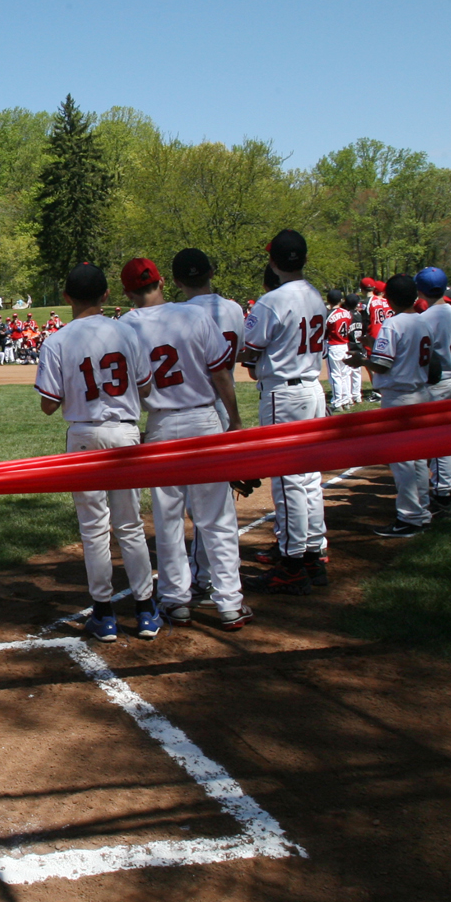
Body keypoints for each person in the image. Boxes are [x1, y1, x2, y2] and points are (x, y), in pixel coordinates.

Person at [120, 257, 250, 631]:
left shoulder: (126, 325)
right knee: (217, 518)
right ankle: (229, 603)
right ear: (162, 281)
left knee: (168, 518)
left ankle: (176, 600)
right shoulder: (194, 315)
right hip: (204, 419)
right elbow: (220, 374)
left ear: (128, 292)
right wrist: (235, 420)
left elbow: (132, 386)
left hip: (161, 424)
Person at [35, 263, 158, 643]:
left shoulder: (56, 340)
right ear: (106, 295)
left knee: (93, 529)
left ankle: (103, 615)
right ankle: (146, 610)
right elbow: (146, 388)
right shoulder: (128, 331)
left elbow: (48, 405)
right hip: (124, 432)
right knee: (130, 525)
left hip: (84, 435)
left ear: (66, 297)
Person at [237, 230, 330, 594]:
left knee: (288, 479)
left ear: (273, 262)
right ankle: (312, 554)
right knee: (309, 477)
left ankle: (291, 564)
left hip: (284, 394)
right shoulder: (316, 295)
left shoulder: (271, 301)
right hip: (312, 388)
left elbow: (248, 350)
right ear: (304, 258)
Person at [366, 275, 435, 537]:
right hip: (421, 393)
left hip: (399, 397)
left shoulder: (393, 323)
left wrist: (362, 361)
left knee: (402, 461)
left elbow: (382, 364)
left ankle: (409, 517)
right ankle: (421, 511)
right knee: (418, 458)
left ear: (389, 298)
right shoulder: (424, 321)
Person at [414, 268, 451, 515]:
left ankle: (443, 492)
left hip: (439, 383)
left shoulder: (426, 318)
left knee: (439, 441)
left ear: (420, 290)